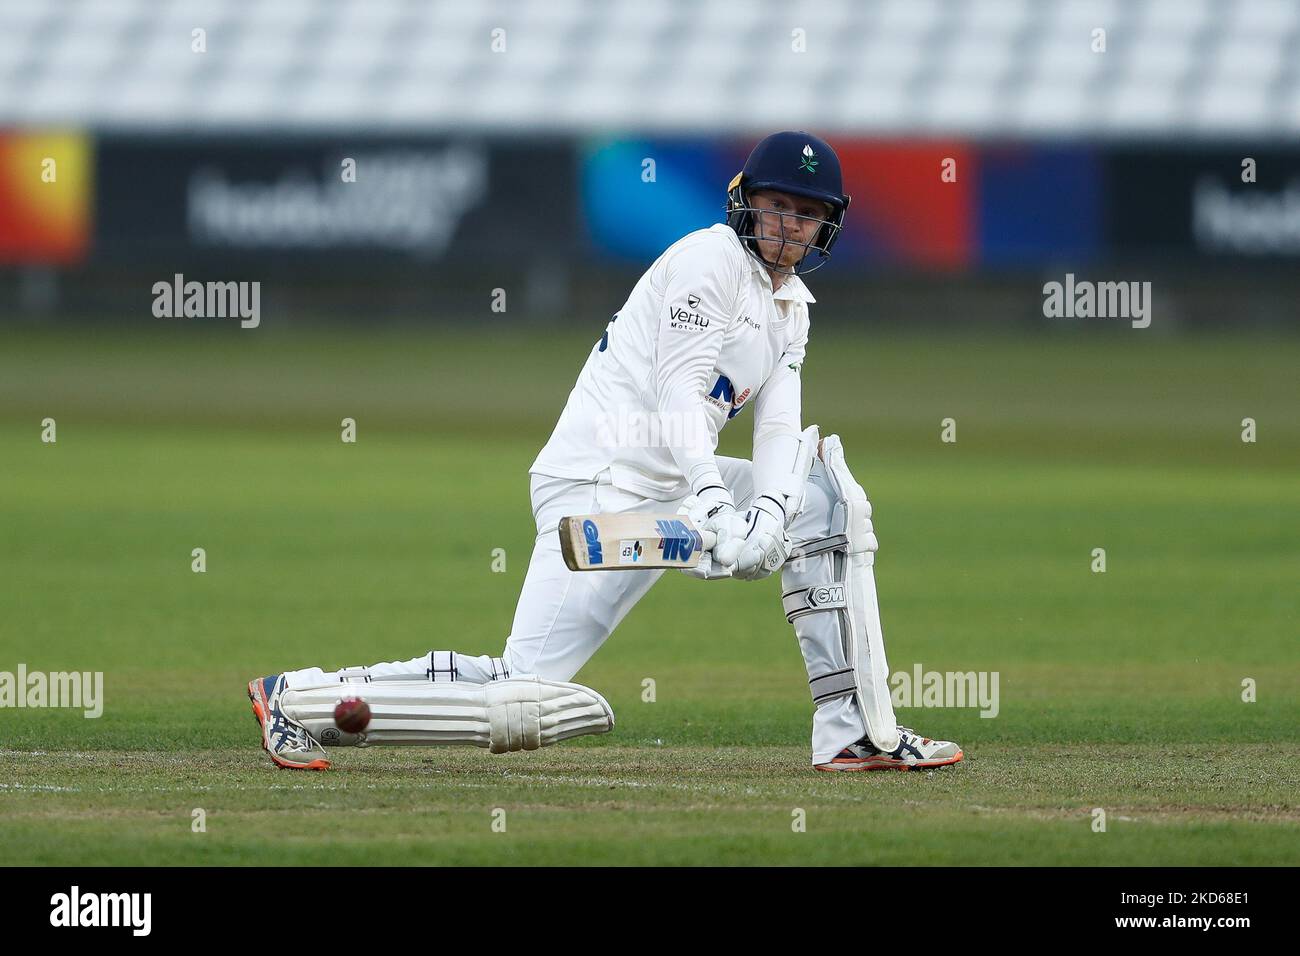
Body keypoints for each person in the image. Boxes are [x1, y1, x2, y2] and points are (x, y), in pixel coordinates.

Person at [247, 131, 963, 773]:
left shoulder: (790, 303)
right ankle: (302, 695)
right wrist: (717, 505)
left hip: (669, 485)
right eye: (778, 206)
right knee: (525, 691)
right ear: (744, 203)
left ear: (825, 225)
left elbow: (779, 424)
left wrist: (770, 519)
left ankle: (853, 732)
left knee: (824, 501)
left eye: (806, 214)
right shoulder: (705, 263)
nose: (789, 227)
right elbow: (680, 396)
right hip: (601, 481)